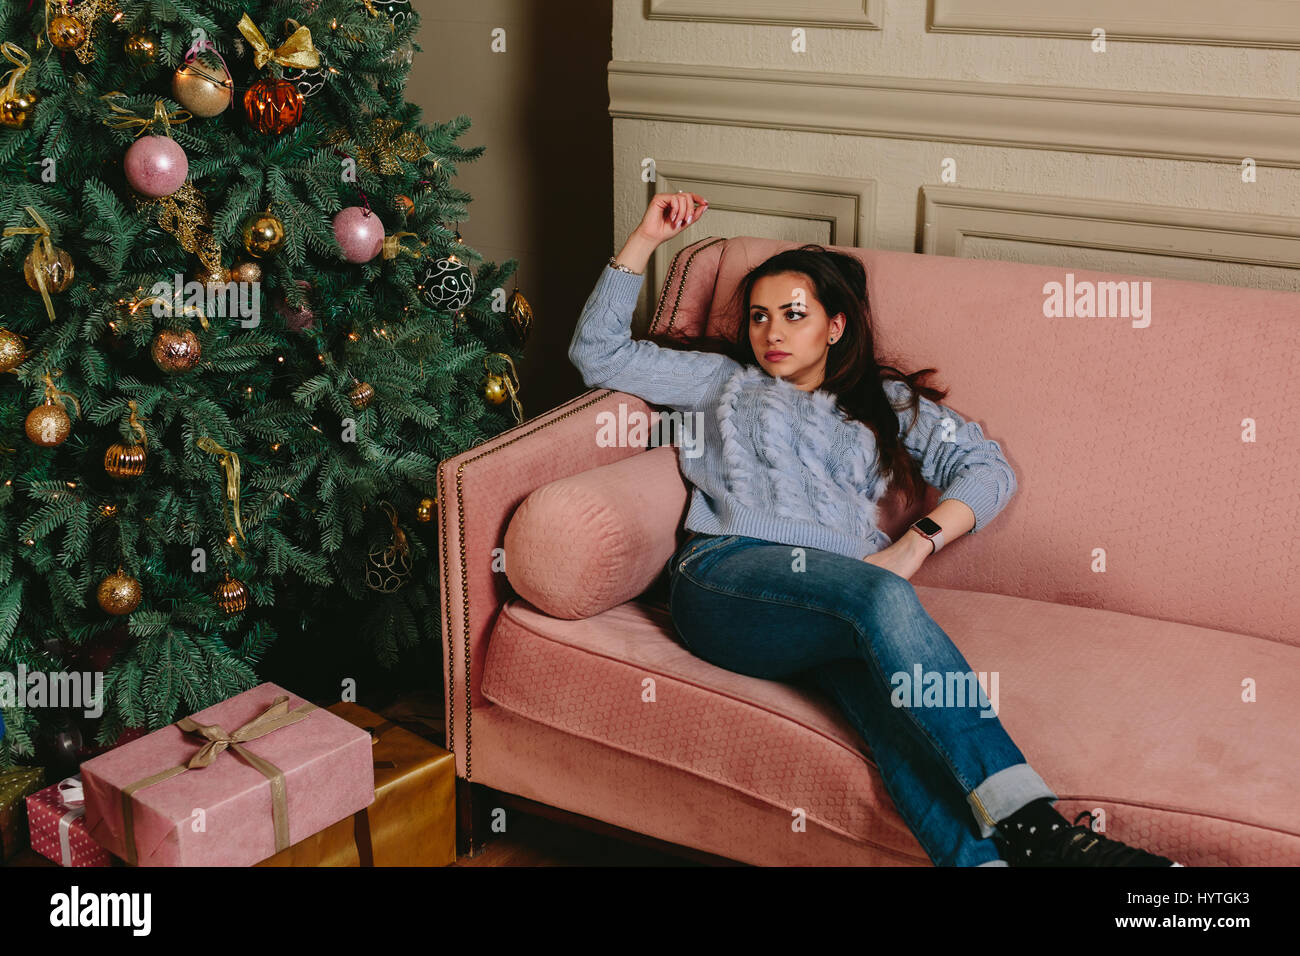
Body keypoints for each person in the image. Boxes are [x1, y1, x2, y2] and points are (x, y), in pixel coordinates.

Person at [568, 191, 1181, 868]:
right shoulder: (719, 380)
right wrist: (643, 241)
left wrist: (917, 542)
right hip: (725, 581)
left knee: (899, 725)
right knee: (882, 596)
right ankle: (1040, 828)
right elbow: (598, 354)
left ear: (834, 327)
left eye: (794, 316)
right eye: (759, 317)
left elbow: (986, 469)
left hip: (833, 607)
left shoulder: (886, 404)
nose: (772, 333)